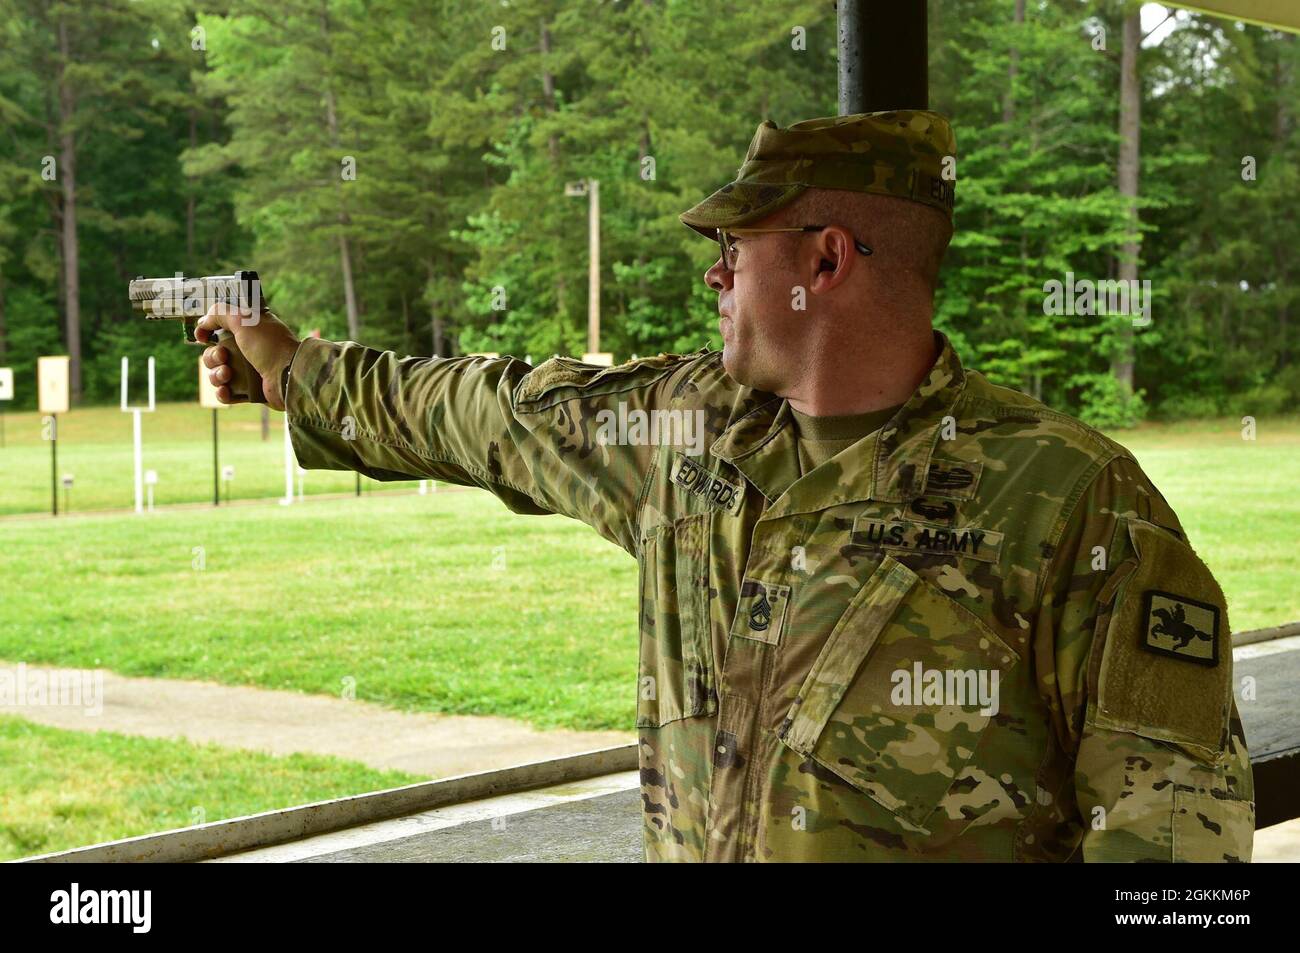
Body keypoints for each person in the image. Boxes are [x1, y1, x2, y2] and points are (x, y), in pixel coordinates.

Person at [197, 109, 1253, 862]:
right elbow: (485, 411)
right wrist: (293, 370)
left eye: (732, 247)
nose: (711, 275)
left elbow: (1175, 833)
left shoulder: (1069, 498)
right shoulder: (686, 433)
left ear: (824, 260)